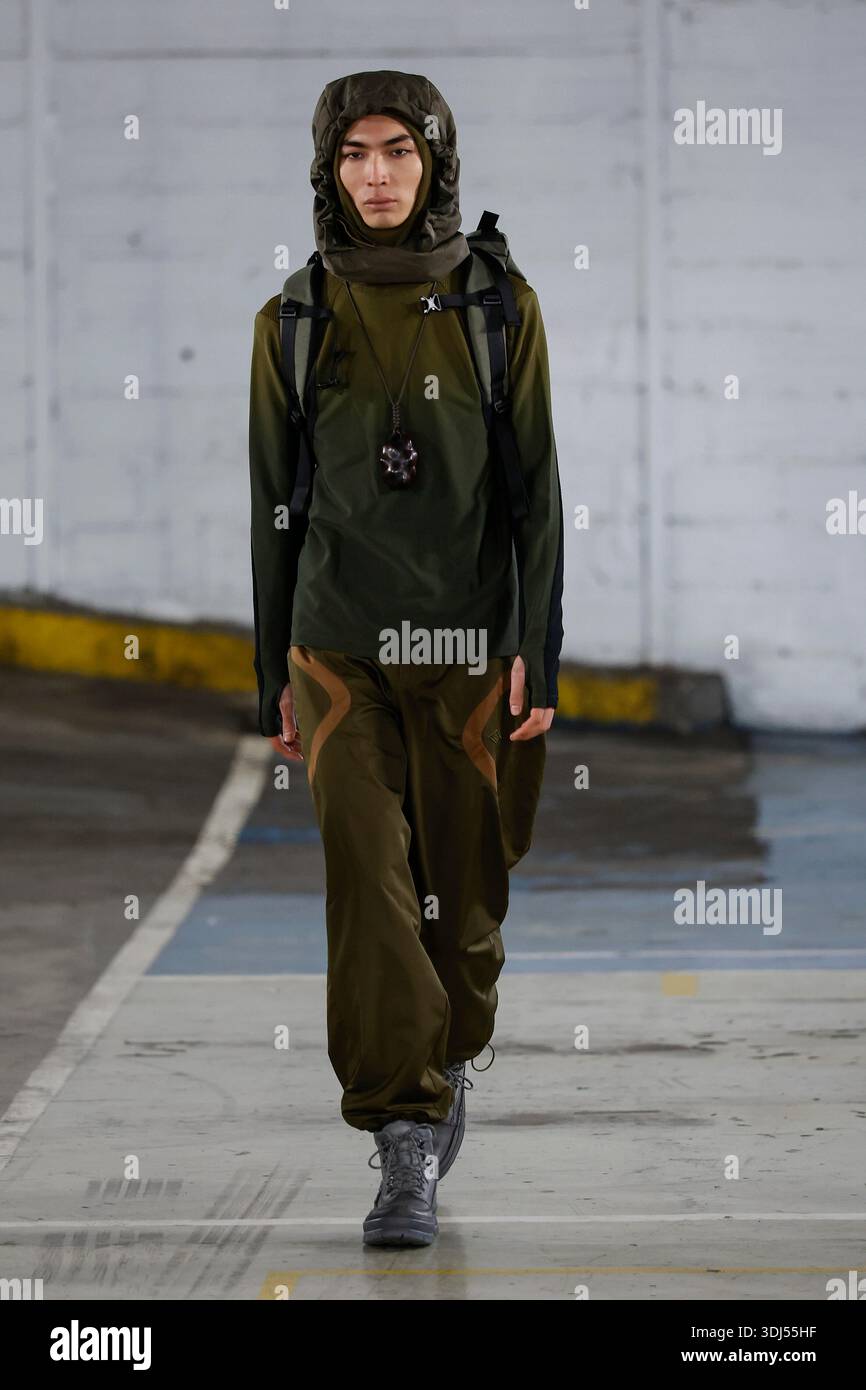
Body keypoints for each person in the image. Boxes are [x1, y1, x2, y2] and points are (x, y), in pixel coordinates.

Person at [248, 69, 564, 1248]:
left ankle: (447, 1056)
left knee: (463, 917)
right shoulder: (291, 319)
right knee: (368, 881)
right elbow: (269, 507)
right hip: (339, 655)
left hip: (472, 653)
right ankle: (401, 1135)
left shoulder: (500, 308)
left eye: (396, 153)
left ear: (434, 163)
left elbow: (539, 496)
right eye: (352, 156)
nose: (374, 176)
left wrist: (539, 646)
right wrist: (268, 668)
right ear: (327, 169)